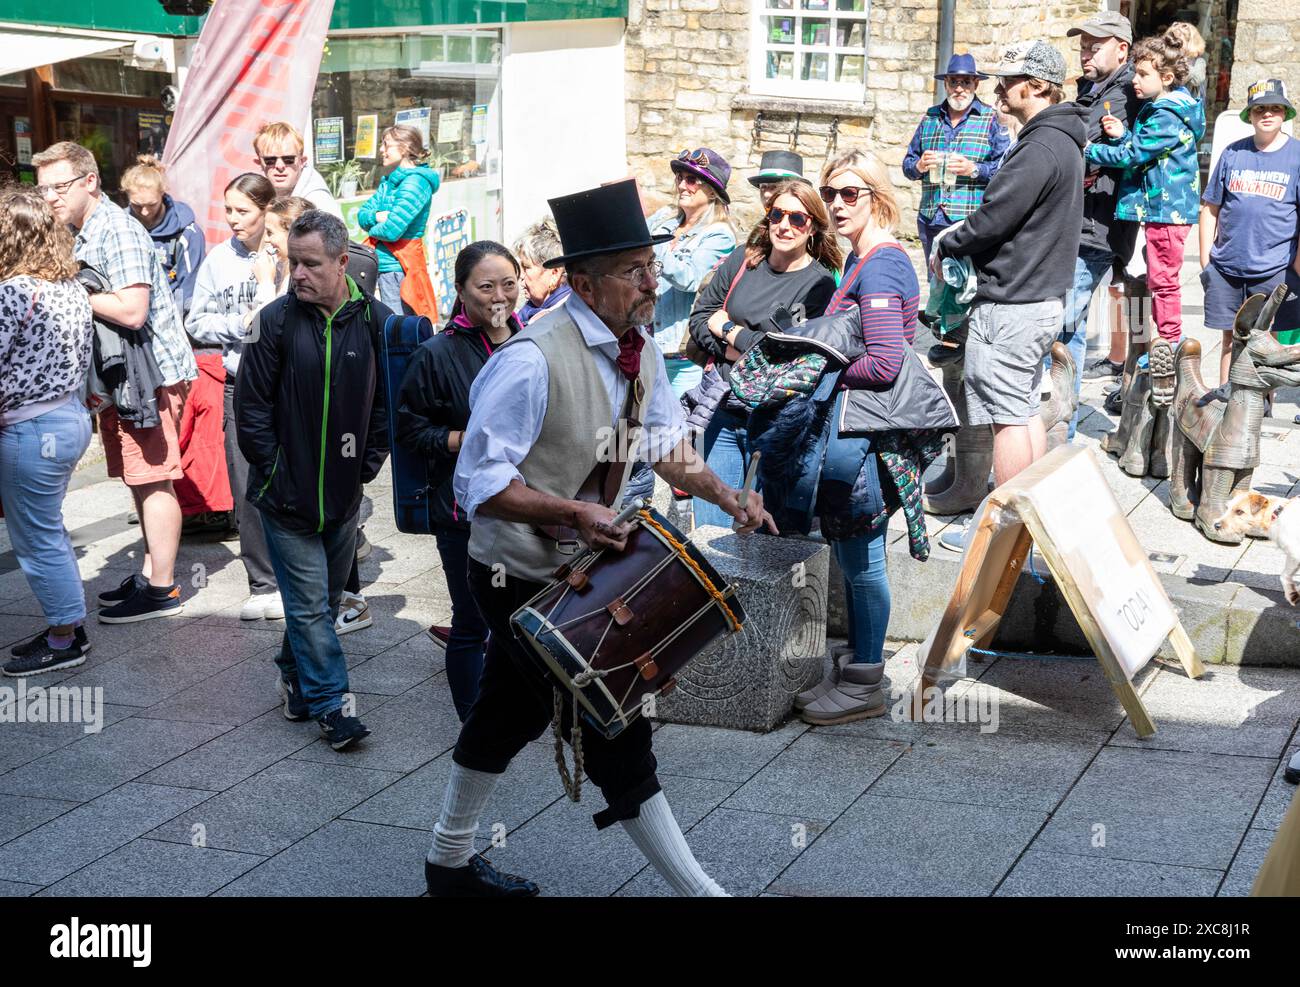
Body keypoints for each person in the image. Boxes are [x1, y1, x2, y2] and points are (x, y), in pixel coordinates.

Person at [423, 179, 772, 897]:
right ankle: (704, 893)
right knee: (616, 723)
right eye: (631, 270)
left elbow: (668, 441)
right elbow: (478, 486)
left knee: (506, 712)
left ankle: (447, 863)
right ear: (582, 282)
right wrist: (573, 512)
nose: (652, 281)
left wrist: (728, 494)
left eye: (651, 264)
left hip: (582, 565)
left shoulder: (637, 346)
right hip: (512, 574)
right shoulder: (529, 360)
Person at [235, 209, 393, 751]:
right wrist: (276, 472)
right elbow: (250, 410)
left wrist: (366, 464)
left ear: (342, 262)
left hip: (343, 499)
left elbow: (387, 407)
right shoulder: (273, 321)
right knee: (306, 606)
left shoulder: (376, 320)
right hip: (285, 498)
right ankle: (332, 706)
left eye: (309, 264)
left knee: (320, 605)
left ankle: (292, 669)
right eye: (291, 262)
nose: (297, 274)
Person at [33, 141, 198, 623]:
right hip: (129, 374)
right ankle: (151, 572)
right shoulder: (84, 227)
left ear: (90, 182)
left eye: (58, 187)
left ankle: (163, 588)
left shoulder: (116, 230)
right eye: (43, 189)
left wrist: (68, 290)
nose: (50, 198)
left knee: (153, 479)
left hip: (152, 375)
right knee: (139, 478)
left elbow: (132, 309)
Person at [786, 152, 919, 722]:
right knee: (850, 551)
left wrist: (814, 368)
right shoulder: (861, 261)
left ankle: (866, 681)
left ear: (878, 198)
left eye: (850, 194)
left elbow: (886, 363)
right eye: (829, 193)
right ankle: (856, 665)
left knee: (863, 561)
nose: (836, 204)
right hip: (853, 433)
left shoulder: (883, 265)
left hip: (866, 437)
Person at [934, 41, 1085, 511]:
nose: (998, 88)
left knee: (1008, 420)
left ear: (1037, 86)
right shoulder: (1061, 140)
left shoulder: (1041, 145)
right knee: (1023, 412)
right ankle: (1030, 517)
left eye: (1009, 79)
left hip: (1013, 305)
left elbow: (995, 218)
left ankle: (1007, 526)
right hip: (1037, 301)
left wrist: (949, 242)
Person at [395, 242, 523, 721]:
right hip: (462, 511)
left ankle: (516, 709)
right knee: (471, 622)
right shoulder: (437, 353)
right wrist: (463, 440)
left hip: (525, 506)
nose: (499, 296)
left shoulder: (533, 341)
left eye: (508, 284)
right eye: (485, 286)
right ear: (462, 290)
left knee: (518, 617)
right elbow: (409, 429)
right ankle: (475, 721)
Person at [687, 178, 838, 528]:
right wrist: (745, 353)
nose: (785, 225)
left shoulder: (818, 285)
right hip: (721, 413)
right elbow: (699, 318)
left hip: (773, 424)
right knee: (711, 532)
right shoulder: (744, 260)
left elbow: (788, 357)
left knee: (763, 535)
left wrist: (728, 330)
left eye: (797, 219)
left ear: (812, 227)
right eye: (777, 215)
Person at [0, 187, 95, 675]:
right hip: (67, 419)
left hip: (30, 429)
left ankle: (64, 638)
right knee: (49, 530)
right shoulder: (70, 286)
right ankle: (67, 624)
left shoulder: (12, 292)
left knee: (38, 540)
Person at [187, 173, 283, 621]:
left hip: (286, 383)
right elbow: (195, 321)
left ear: (266, 210)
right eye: (227, 210)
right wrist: (236, 325)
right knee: (247, 486)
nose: (232, 220)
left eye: (242, 211)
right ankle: (262, 582)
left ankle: (300, 576)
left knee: (293, 478)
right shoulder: (217, 260)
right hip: (238, 383)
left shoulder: (284, 254)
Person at [1085, 31, 1205, 348]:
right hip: (1160, 208)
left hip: (1167, 209)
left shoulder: (1165, 114)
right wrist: (1123, 132)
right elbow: (1144, 152)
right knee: (1152, 275)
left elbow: (1133, 156)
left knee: (1163, 278)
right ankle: (1152, 342)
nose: (1135, 80)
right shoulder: (1163, 109)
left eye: (1143, 74)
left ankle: (1169, 341)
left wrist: (1089, 151)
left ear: (1165, 77)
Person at [1200, 79, 1300, 384]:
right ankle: (1226, 397)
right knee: (1231, 339)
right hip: (1228, 267)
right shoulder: (1233, 153)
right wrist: (1206, 260)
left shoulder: (1296, 156)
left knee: (1269, 344)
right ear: (1250, 115)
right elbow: (1210, 207)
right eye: (1259, 109)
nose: (1267, 114)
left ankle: (1261, 403)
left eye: (1274, 108)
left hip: (1274, 268)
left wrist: (1297, 265)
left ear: (1284, 113)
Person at [1067, 10, 1143, 388]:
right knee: (1073, 324)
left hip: (1100, 224)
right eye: (1083, 47)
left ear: (1122, 49)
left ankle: (1126, 372)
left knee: (1065, 324)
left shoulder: (1125, 93)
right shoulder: (1092, 88)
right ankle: (1063, 423)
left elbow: (1080, 146)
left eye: (1095, 48)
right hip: (1084, 220)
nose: (1085, 55)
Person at [902, 52, 1011, 260]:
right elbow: (907, 165)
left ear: (976, 84)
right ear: (946, 84)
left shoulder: (991, 119)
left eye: (966, 82)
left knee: (966, 287)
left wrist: (974, 170)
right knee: (935, 284)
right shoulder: (930, 117)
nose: (959, 88)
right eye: (954, 82)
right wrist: (919, 166)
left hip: (969, 222)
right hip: (930, 218)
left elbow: (1005, 169)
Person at [647, 148, 738, 397]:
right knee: (639, 431)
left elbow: (690, 278)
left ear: (711, 190)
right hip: (647, 348)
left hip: (683, 358)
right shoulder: (663, 223)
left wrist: (653, 245)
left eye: (691, 180)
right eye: (679, 177)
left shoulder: (719, 235)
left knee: (682, 433)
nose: (682, 186)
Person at [357, 124, 441, 316]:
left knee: (400, 329)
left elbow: (391, 231)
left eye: (386, 145)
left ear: (404, 148)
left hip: (400, 268)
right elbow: (362, 214)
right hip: (388, 266)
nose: (381, 150)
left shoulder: (415, 183)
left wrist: (371, 230)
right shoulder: (390, 180)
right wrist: (378, 216)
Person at [121, 155, 205, 319]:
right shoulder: (120, 227)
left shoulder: (187, 232)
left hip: (172, 318)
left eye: (152, 204)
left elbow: (190, 290)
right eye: (137, 205)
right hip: (129, 319)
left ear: (162, 193)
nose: (145, 212)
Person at [252, 122, 342, 218]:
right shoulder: (258, 196)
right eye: (270, 160)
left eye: (288, 159)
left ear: (302, 161)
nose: (279, 166)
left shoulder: (318, 201)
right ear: (259, 163)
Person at [513, 218, 571, 325]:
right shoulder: (527, 314)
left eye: (526, 267)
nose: (521, 275)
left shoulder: (564, 321)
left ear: (554, 274)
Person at [1168, 21, 1208, 107]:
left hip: (1186, 108)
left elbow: (1197, 79)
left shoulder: (1199, 62)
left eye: (1179, 42)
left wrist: (1181, 62)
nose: (1175, 44)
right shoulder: (1167, 58)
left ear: (1191, 43)